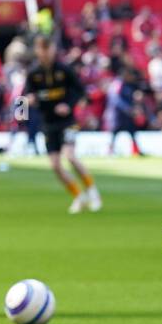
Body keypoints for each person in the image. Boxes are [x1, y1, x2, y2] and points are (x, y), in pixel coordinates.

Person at [26, 36, 102, 214]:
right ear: (38, 51)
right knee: (55, 166)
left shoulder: (64, 70)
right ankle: (78, 196)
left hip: (67, 122)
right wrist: (24, 109)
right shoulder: (33, 73)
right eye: (41, 50)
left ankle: (92, 191)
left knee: (70, 156)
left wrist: (68, 105)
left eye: (48, 49)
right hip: (48, 122)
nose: (45, 53)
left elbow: (80, 91)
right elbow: (24, 96)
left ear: (52, 49)